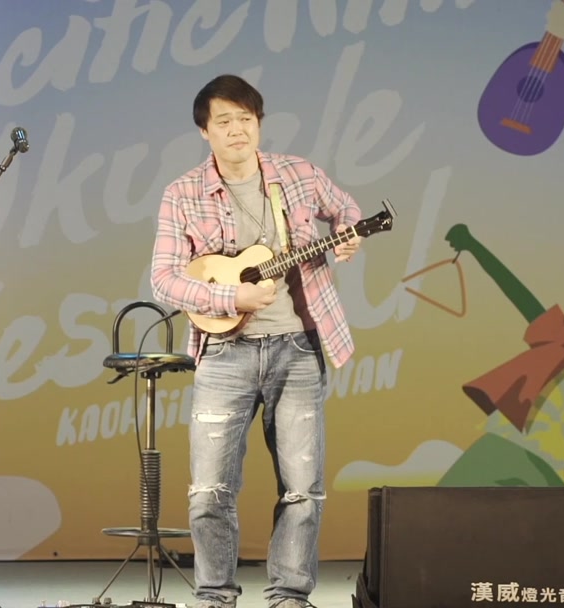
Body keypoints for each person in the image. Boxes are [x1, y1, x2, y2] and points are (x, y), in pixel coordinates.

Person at [149, 74, 364, 608]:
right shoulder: (183, 193)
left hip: (298, 348)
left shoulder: (298, 175)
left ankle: (289, 597)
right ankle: (215, 596)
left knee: (302, 488)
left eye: (246, 118)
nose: (237, 129)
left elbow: (348, 212)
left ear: (259, 123)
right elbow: (164, 280)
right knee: (208, 491)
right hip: (224, 354)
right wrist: (232, 298)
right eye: (224, 121)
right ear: (205, 131)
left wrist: (350, 236)